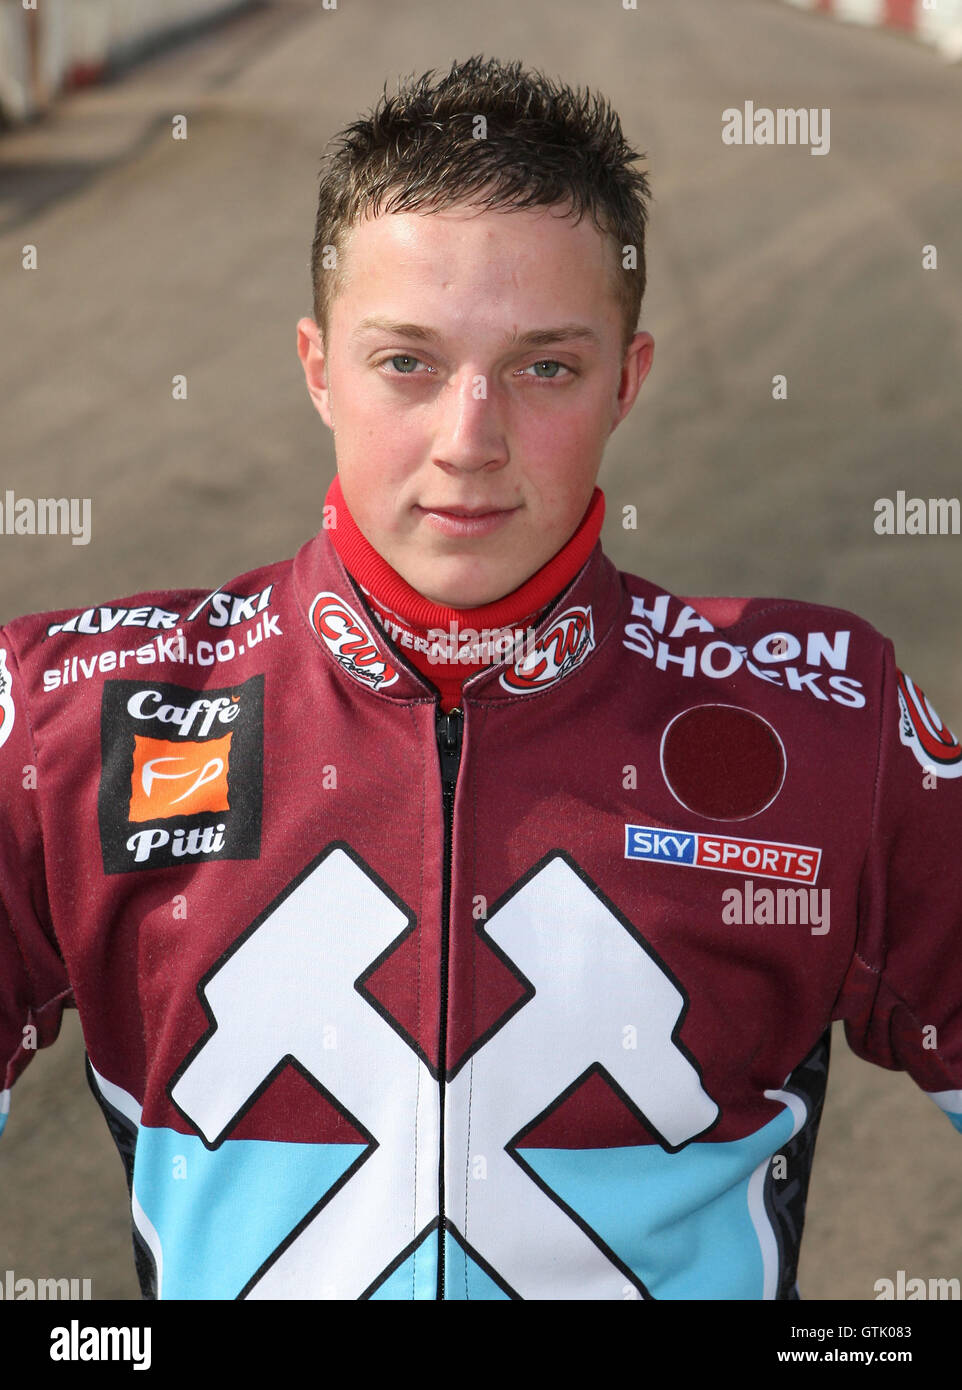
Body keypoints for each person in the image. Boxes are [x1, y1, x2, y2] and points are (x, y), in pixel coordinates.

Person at [0, 54, 959, 1302]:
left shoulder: (824, 721)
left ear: (628, 377)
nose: (470, 438)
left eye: (543, 368)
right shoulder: (76, 718)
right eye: (407, 362)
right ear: (315, 366)